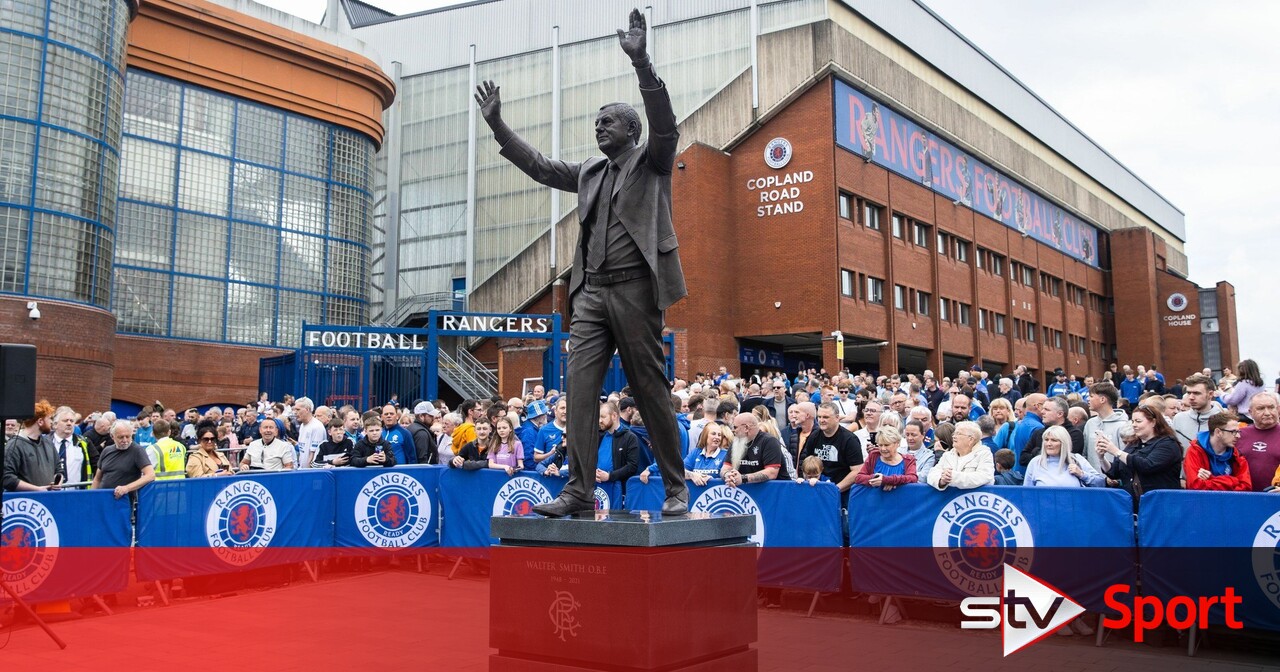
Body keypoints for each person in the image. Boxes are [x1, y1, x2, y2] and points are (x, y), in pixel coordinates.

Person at [479, 10, 690, 517]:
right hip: (590, 294)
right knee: (579, 392)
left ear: (630, 131)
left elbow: (664, 123)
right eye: (596, 122)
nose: (598, 127)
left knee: (649, 388)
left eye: (608, 121)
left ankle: (676, 488)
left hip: (637, 290)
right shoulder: (591, 170)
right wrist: (499, 126)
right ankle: (576, 490)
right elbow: (541, 167)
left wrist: (641, 63)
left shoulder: (653, 159)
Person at [1097, 405, 1182, 505]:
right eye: (1133, 421)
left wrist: (1116, 451)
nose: (1134, 425)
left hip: (1160, 505)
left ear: (1153, 422)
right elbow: (1114, 472)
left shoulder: (1168, 444)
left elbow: (1147, 465)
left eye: (1138, 421)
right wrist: (1101, 458)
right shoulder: (1133, 444)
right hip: (1132, 506)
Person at [799, 402, 864, 502]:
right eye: (819, 417)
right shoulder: (814, 437)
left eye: (826, 417)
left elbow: (857, 471)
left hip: (842, 493)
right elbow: (808, 464)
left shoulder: (849, 440)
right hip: (818, 491)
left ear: (837, 417)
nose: (821, 420)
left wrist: (835, 489)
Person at [641, 422, 730, 486]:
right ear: (705, 436)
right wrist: (692, 475)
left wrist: (711, 480)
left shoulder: (725, 455)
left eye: (719, 435)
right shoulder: (696, 452)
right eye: (713, 434)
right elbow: (679, 470)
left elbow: (728, 476)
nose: (717, 437)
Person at [1183, 411, 1251, 491]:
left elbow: (1246, 487)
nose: (1238, 436)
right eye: (1233, 432)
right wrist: (1233, 480)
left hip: (1229, 502)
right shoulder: (1195, 451)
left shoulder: (1236, 455)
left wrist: (1210, 479)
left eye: (1238, 431)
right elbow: (1196, 486)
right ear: (1218, 432)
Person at [3, 399, 62, 491]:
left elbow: (59, 469)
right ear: (40, 422)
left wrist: (58, 482)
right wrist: (37, 489)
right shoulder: (14, 445)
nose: (52, 422)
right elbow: (7, 478)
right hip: (26, 501)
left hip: (49, 500)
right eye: (50, 418)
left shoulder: (48, 443)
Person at [1023, 425, 1105, 488]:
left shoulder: (1077, 459)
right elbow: (1026, 493)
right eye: (1046, 440)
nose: (1048, 444)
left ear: (1064, 443)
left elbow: (1101, 483)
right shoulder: (1035, 462)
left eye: (1054, 440)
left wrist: (1082, 474)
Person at [93, 420, 156, 499]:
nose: (125, 440)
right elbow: (97, 479)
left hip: (124, 502)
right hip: (103, 499)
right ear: (112, 436)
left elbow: (150, 475)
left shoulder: (137, 450)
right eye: (121, 437)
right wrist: (92, 498)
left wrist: (126, 488)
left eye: (128, 436)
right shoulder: (107, 450)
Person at [721, 412, 785, 487]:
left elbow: (772, 473)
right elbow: (726, 467)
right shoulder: (736, 441)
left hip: (774, 493)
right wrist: (727, 475)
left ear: (746, 428)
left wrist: (743, 478)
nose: (732, 430)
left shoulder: (769, 441)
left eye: (735, 427)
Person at [926, 421, 994, 490]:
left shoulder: (984, 454)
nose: (954, 436)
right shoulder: (948, 455)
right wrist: (941, 480)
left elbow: (984, 477)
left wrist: (952, 477)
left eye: (958, 434)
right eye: (954, 433)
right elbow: (931, 474)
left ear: (971, 439)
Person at [853, 426, 917, 491]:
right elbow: (859, 478)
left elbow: (913, 478)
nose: (883, 449)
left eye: (886, 445)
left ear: (897, 443)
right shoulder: (874, 456)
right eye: (880, 445)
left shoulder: (908, 460)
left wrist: (888, 480)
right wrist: (876, 479)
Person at [1083, 381, 1129, 472]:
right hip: (1091, 481)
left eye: (1091, 396)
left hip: (1114, 480)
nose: (1088, 399)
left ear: (1102, 399)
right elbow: (1085, 453)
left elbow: (1125, 455)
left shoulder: (1123, 425)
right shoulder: (1090, 423)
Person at [1239, 392, 1280, 492]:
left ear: (1278, 409)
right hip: (1242, 497)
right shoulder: (1238, 434)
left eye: (1271, 407)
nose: (1267, 413)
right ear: (1250, 412)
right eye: (1261, 408)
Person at [1172, 374, 1222, 452]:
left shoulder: (1224, 420)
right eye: (1188, 393)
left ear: (1210, 394)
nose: (1191, 397)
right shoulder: (1178, 419)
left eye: (1196, 393)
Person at [47, 405, 92, 487]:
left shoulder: (84, 443)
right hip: (49, 492)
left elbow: (97, 465)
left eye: (72, 421)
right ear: (55, 424)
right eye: (65, 421)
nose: (69, 423)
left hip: (75, 494)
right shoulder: (44, 442)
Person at [292, 397, 325, 470]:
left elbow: (313, 454)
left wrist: (307, 471)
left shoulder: (317, 427)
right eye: (294, 409)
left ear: (307, 409)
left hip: (310, 472)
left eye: (298, 409)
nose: (295, 412)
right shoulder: (302, 426)